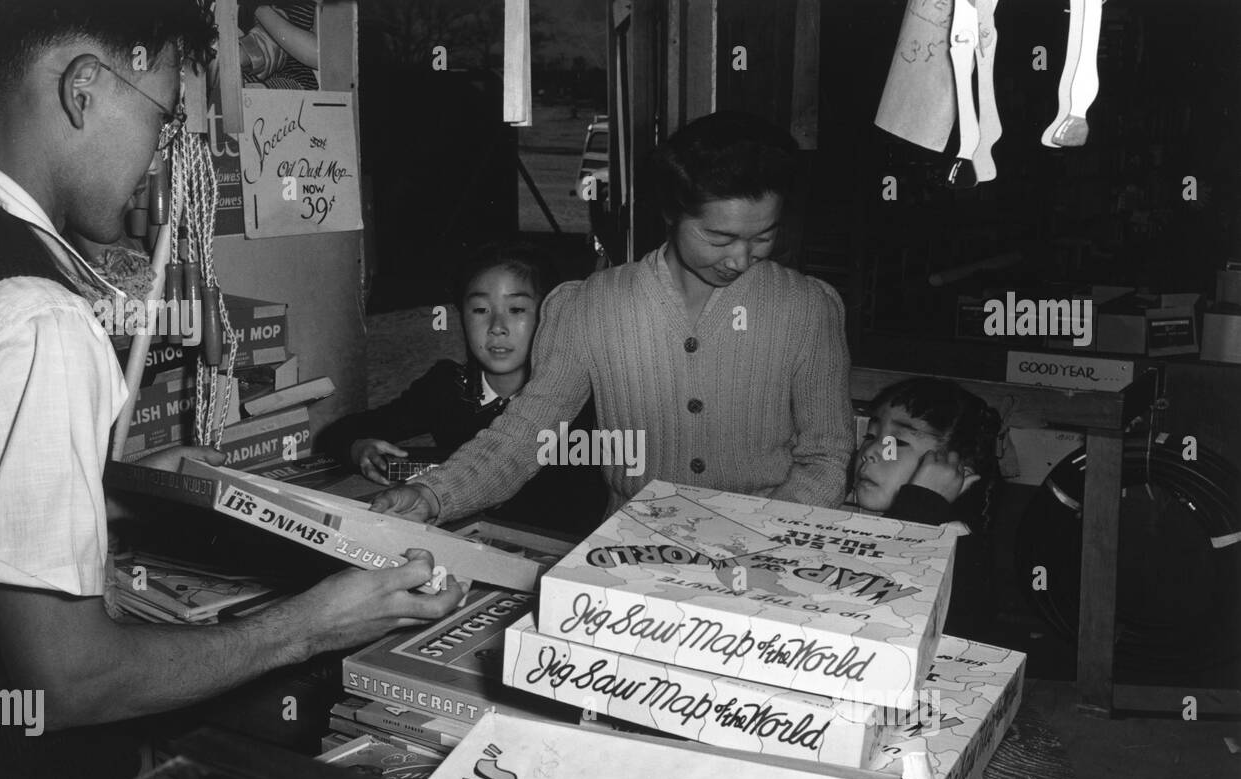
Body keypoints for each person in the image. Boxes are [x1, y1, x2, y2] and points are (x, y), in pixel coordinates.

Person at [0, 0, 463, 779]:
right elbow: (67, 682)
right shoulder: (36, 319)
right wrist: (313, 623)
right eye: (163, 121)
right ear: (84, 90)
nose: (161, 160)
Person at [370, 111, 854, 525]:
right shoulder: (590, 306)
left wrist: (762, 538)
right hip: (627, 555)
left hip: (767, 547)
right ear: (671, 213)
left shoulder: (807, 309)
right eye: (719, 238)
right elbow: (524, 438)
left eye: (763, 237)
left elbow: (826, 457)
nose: (740, 259)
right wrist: (434, 495)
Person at [318, 243, 608, 535]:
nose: (497, 326)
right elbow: (337, 433)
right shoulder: (447, 387)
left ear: (550, 317)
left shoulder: (578, 401)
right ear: (461, 317)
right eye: (480, 310)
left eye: (517, 309)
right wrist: (359, 449)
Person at [851, 377, 1003, 641]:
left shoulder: (961, 552)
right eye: (870, 436)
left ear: (953, 471)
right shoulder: (898, 523)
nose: (870, 451)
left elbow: (874, 602)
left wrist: (923, 502)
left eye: (896, 443)